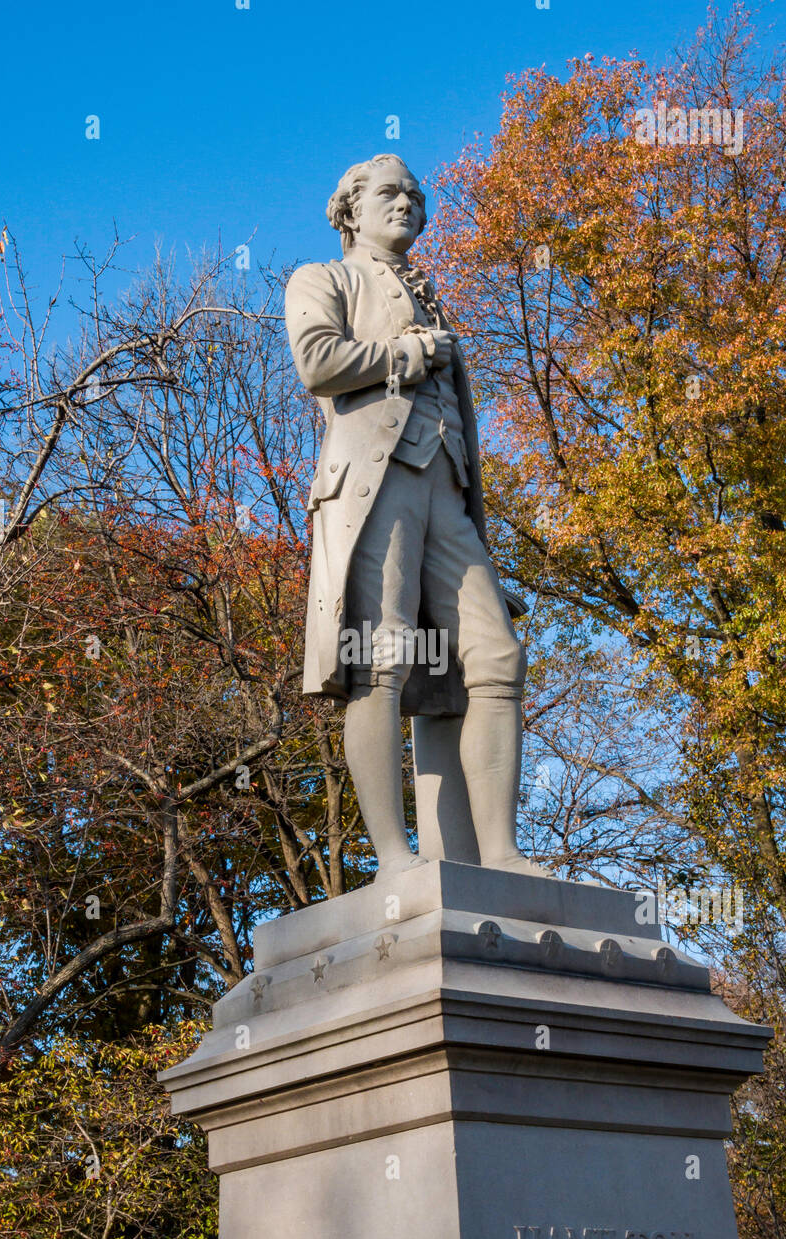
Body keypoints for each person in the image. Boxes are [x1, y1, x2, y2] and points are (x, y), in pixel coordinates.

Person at [285, 153, 544, 880]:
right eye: (389, 194)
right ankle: (395, 859)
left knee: (495, 658)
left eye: (415, 195)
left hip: (446, 492)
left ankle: (497, 855)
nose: (406, 203)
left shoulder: (432, 295)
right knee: (382, 660)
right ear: (351, 211)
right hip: (374, 487)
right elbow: (317, 360)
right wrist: (406, 354)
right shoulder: (323, 278)